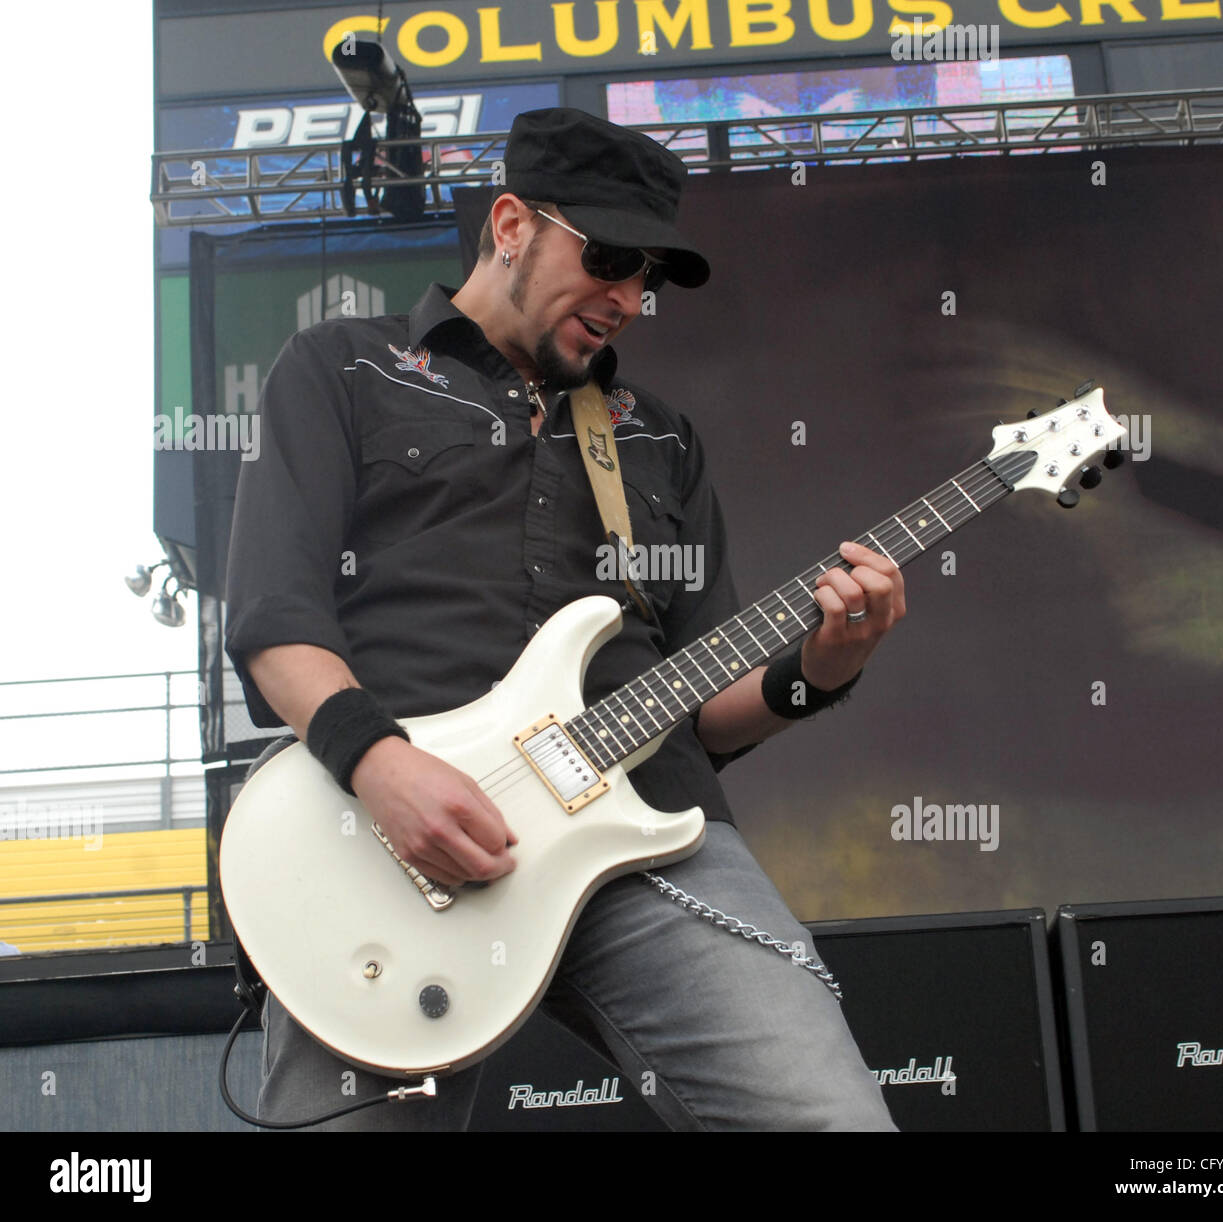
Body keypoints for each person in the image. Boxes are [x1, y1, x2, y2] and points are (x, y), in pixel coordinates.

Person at [225, 107, 905, 1131]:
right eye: (612, 258)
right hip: (384, 832)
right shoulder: (343, 367)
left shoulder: (658, 437)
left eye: (650, 279)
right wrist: (380, 763)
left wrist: (819, 667)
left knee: (828, 1119)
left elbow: (702, 709)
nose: (630, 298)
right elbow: (276, 613)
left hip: (647, 837)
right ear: (510, 224)